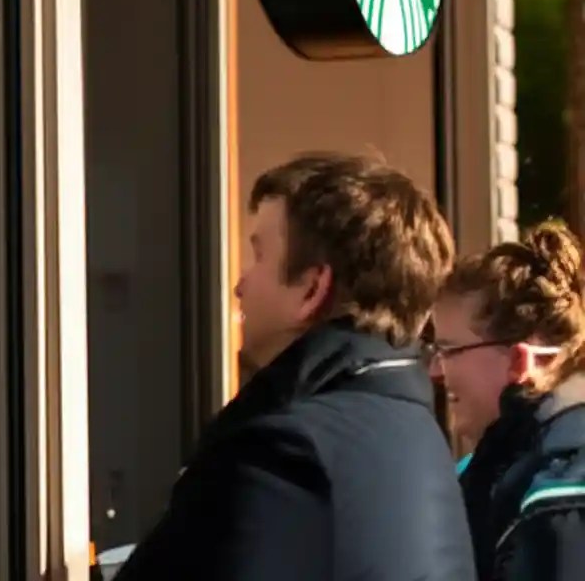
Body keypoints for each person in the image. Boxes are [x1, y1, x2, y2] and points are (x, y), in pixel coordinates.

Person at [113, 151, 475, 581]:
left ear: (312, 288)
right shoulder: (414, 435)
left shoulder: (285, 454)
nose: (240, 284)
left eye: (260, 256)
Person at [429, 220, 585, 580]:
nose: (435, 372)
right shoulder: (486, 471)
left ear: (519, 360)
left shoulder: (560, 496)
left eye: (449, 351)